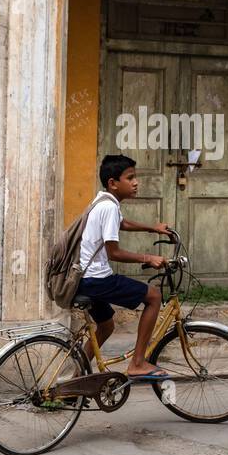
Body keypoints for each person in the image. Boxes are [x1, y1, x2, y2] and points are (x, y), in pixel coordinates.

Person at [74, 154, 172, 380]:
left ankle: (75, 380)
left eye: (135, 177)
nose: (136, 182)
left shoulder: (104, 201)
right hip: (97, 280)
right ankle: (137, 363)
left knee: (106, 326)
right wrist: (149, 258)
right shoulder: (108, 207)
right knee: (154, 296)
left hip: (87, 279)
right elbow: (114, 252)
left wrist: (153, 228)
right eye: (130, 178)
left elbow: (122, 223)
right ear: (113, 183)